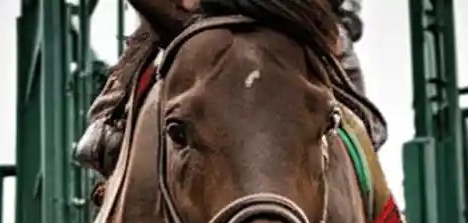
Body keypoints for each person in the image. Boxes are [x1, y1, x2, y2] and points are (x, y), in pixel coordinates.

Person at [74, 0, 370, 179]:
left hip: (293, 12)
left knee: (358, 115)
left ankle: (372, 201)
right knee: (146, 41)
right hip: (203, 11)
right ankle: (111, 116)